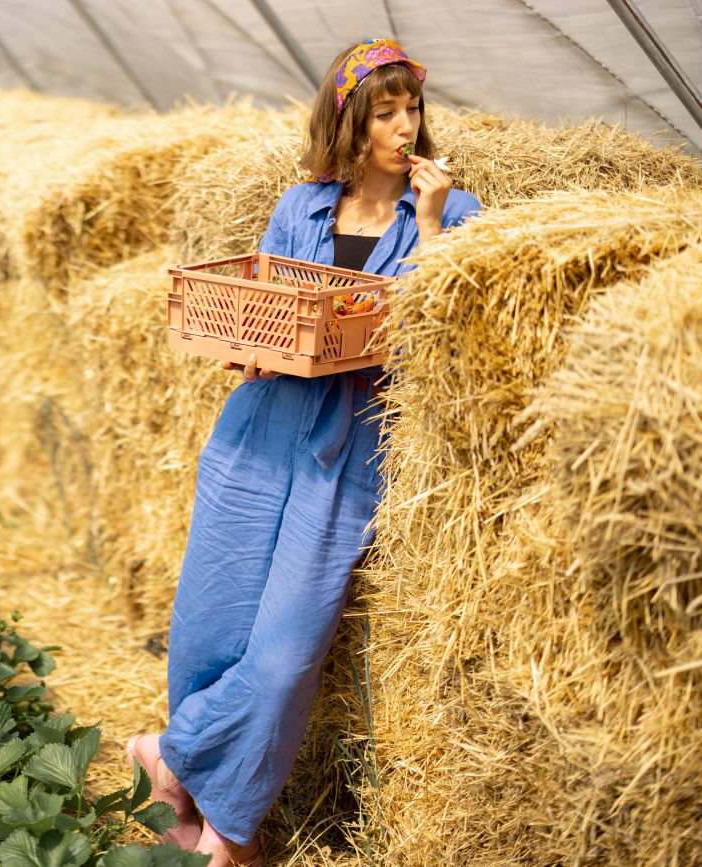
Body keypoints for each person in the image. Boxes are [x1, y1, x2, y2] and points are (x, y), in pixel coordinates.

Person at [127, 39, 482, 866]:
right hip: (261, 429)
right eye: (385, 112)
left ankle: (170, 754)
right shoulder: (300, 205)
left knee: (287, 653)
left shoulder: (452, 213)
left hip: (348, 443)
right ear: (350, 124)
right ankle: (229, 829)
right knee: (214, 624)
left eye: (412, 109)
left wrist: (428, 228)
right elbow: (272, 311)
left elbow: (439, 335)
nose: (404, 126)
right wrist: (248, 345)